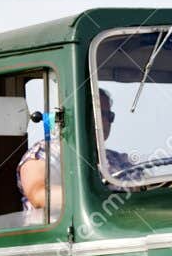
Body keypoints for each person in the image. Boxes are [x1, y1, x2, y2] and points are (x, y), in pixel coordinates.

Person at [17, 88, 133, 218]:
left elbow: (143, 188)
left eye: (109, 116)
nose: (105, 121)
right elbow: (39, 195)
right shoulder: (45, 153)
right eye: (98, 114)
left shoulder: (118, 159)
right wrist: (98, 196)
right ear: (75, 116)